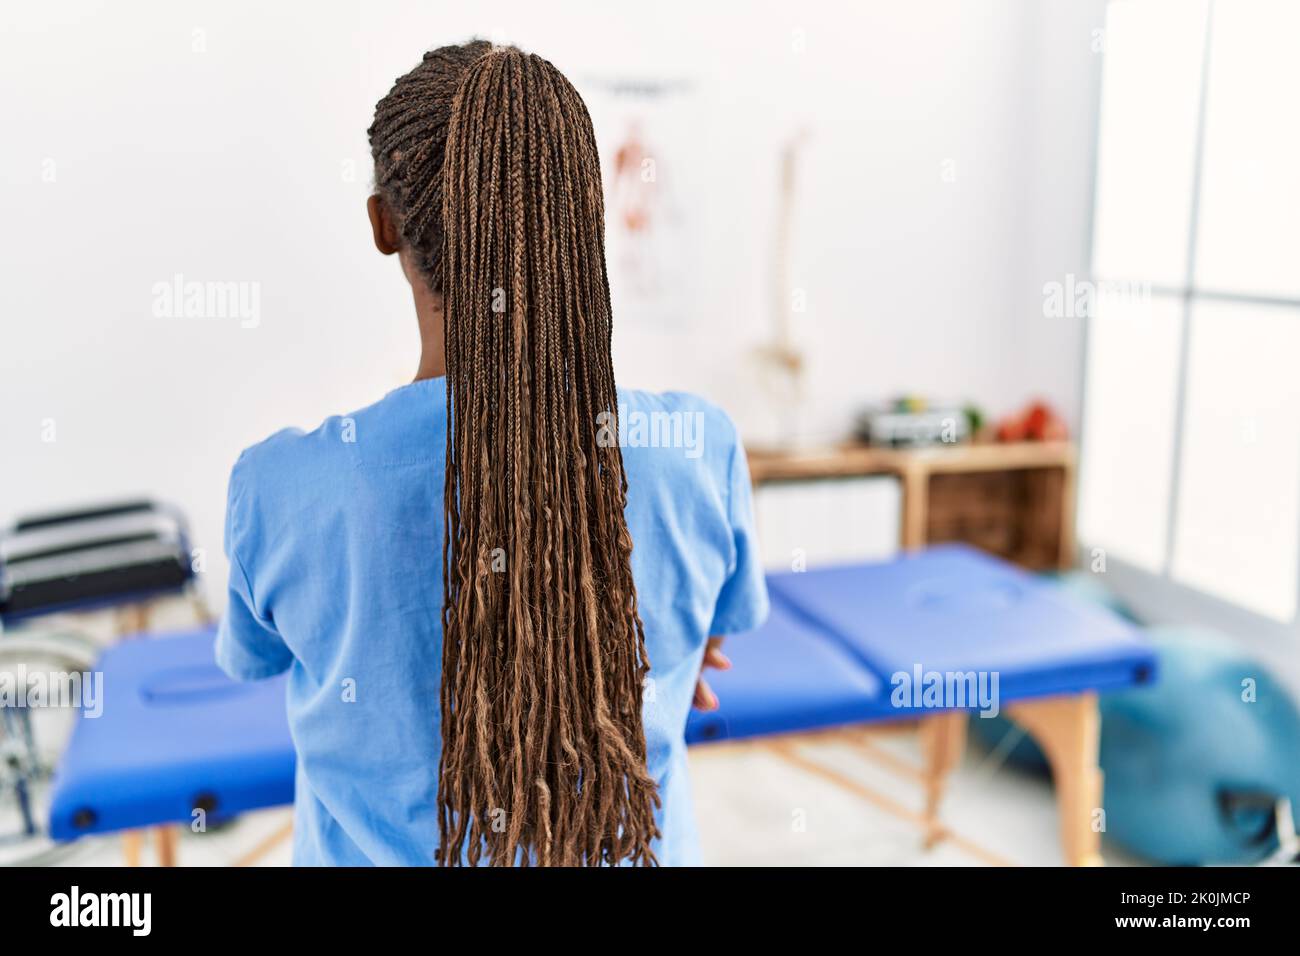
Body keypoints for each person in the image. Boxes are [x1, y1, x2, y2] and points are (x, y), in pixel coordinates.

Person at [216, 40, 767, 866]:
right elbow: (706, 642)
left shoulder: (281, 489)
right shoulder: (698, 452)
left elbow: (258, 658)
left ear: (383, 224)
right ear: (586, 213)